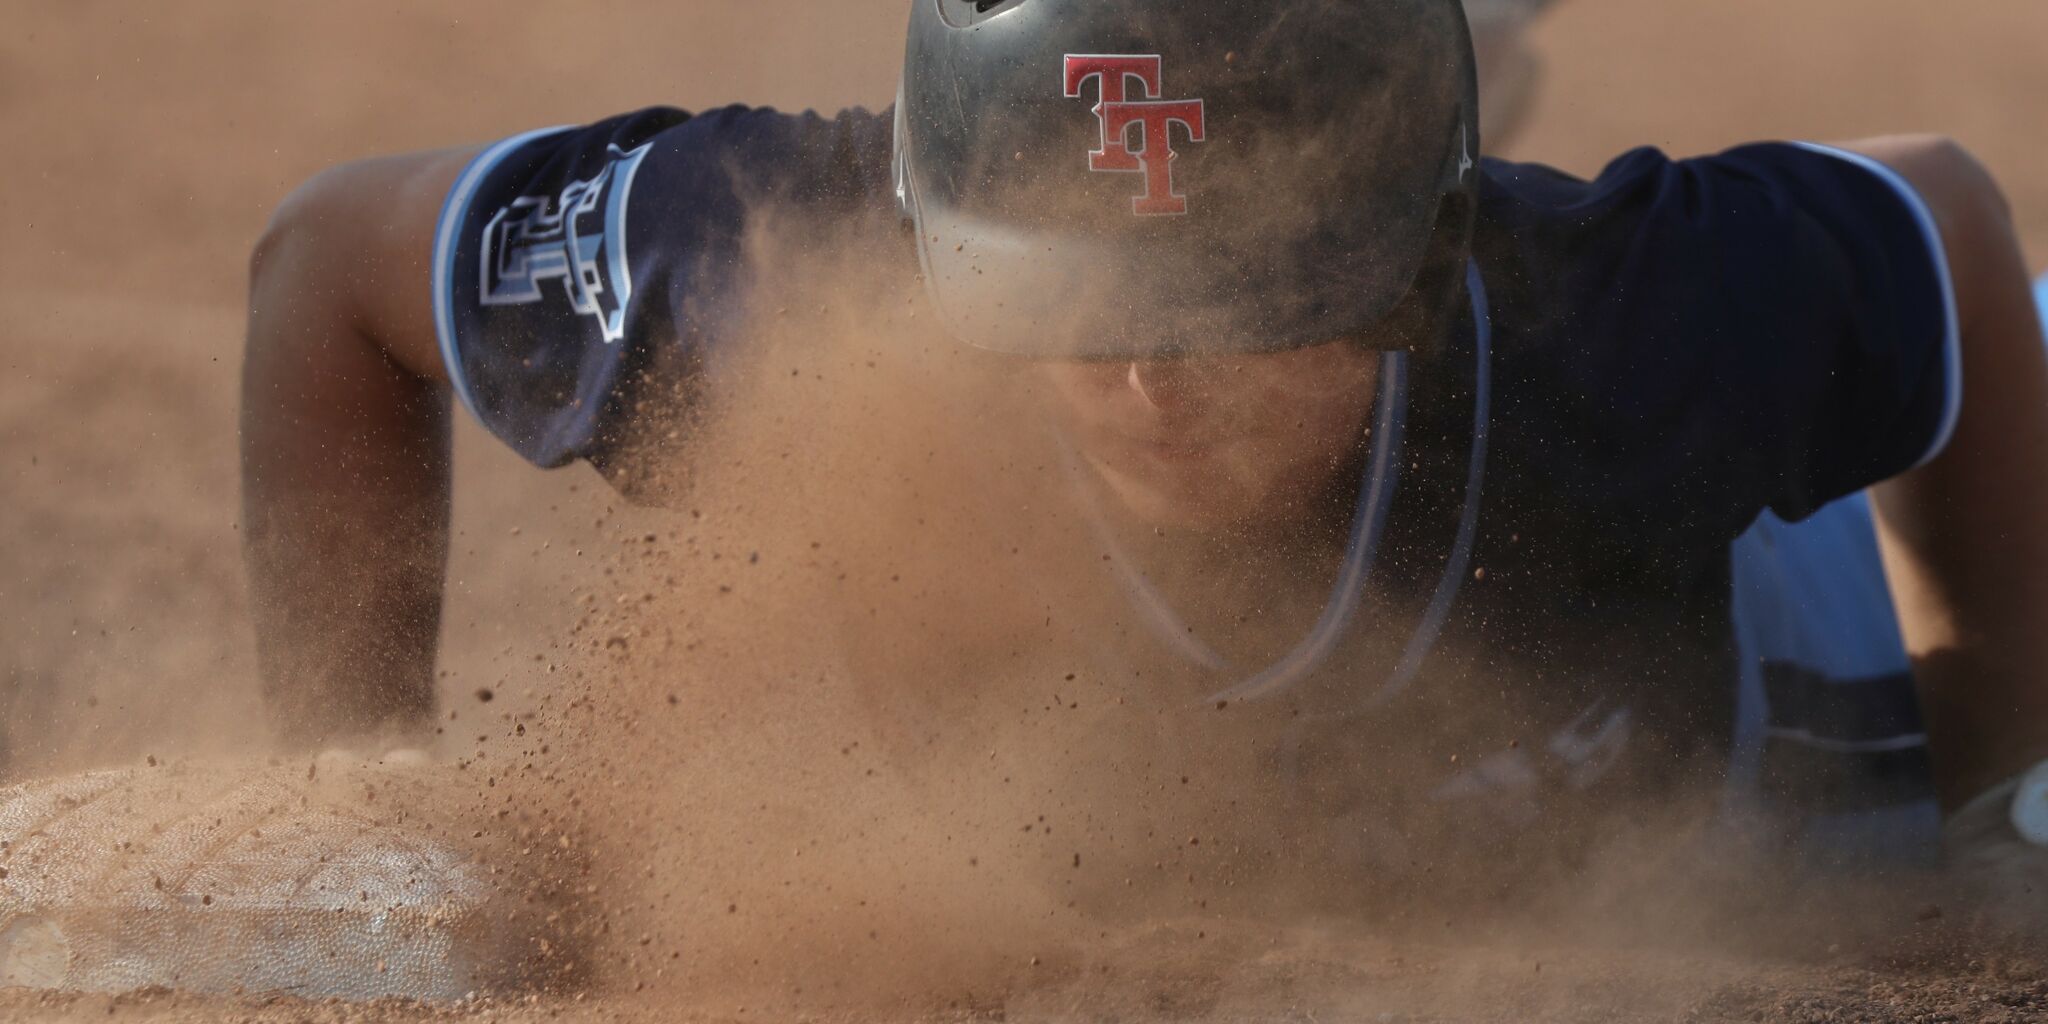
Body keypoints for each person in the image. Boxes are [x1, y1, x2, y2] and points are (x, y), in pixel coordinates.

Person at [241, 0, 2048, 910]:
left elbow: (1952, 237)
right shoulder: (791, 271)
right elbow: (330, 267)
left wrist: (1993, 789)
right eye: (1080, 304)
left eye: (1247, 298)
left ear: (1412, 262)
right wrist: (354, 810)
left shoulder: (1600, 312)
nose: (1154, 380)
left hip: (1788, 745)